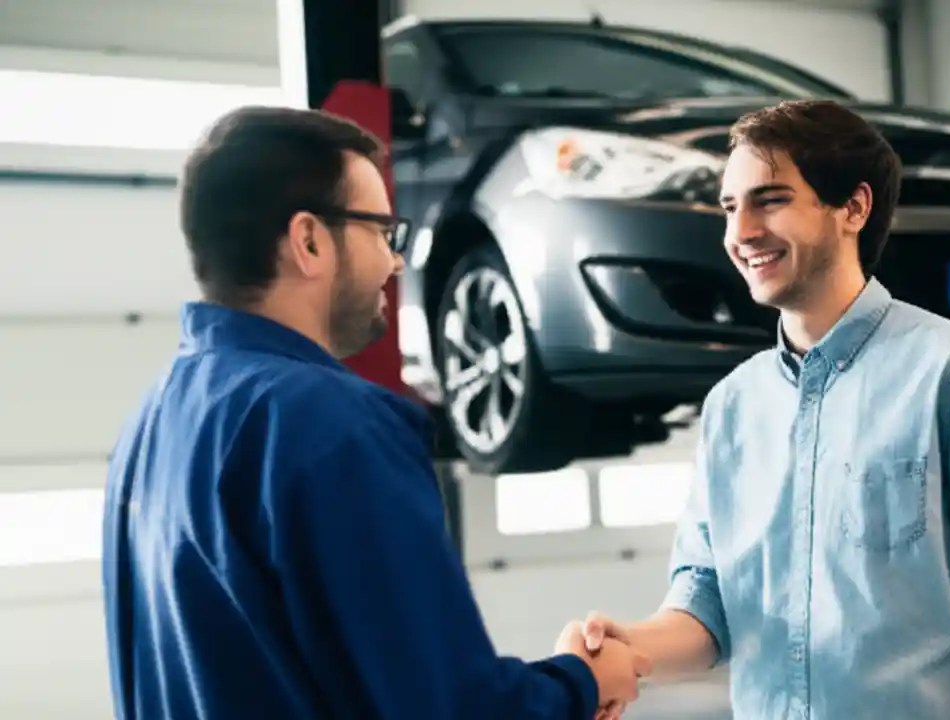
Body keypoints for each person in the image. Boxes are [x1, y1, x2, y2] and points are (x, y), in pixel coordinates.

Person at [101, 105, 649, 720]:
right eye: (383, 232)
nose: (395, 263)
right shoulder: (331, 425)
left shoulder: (147, 432)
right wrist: (584, 682)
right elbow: (446, 709)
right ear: (309, 241)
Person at [568, 100, 950, 719]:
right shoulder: (733, 405)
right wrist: (625, 647)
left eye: (771, 200)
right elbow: (708, 608)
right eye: (731, 207)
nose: (741, 232)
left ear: (853, 208)